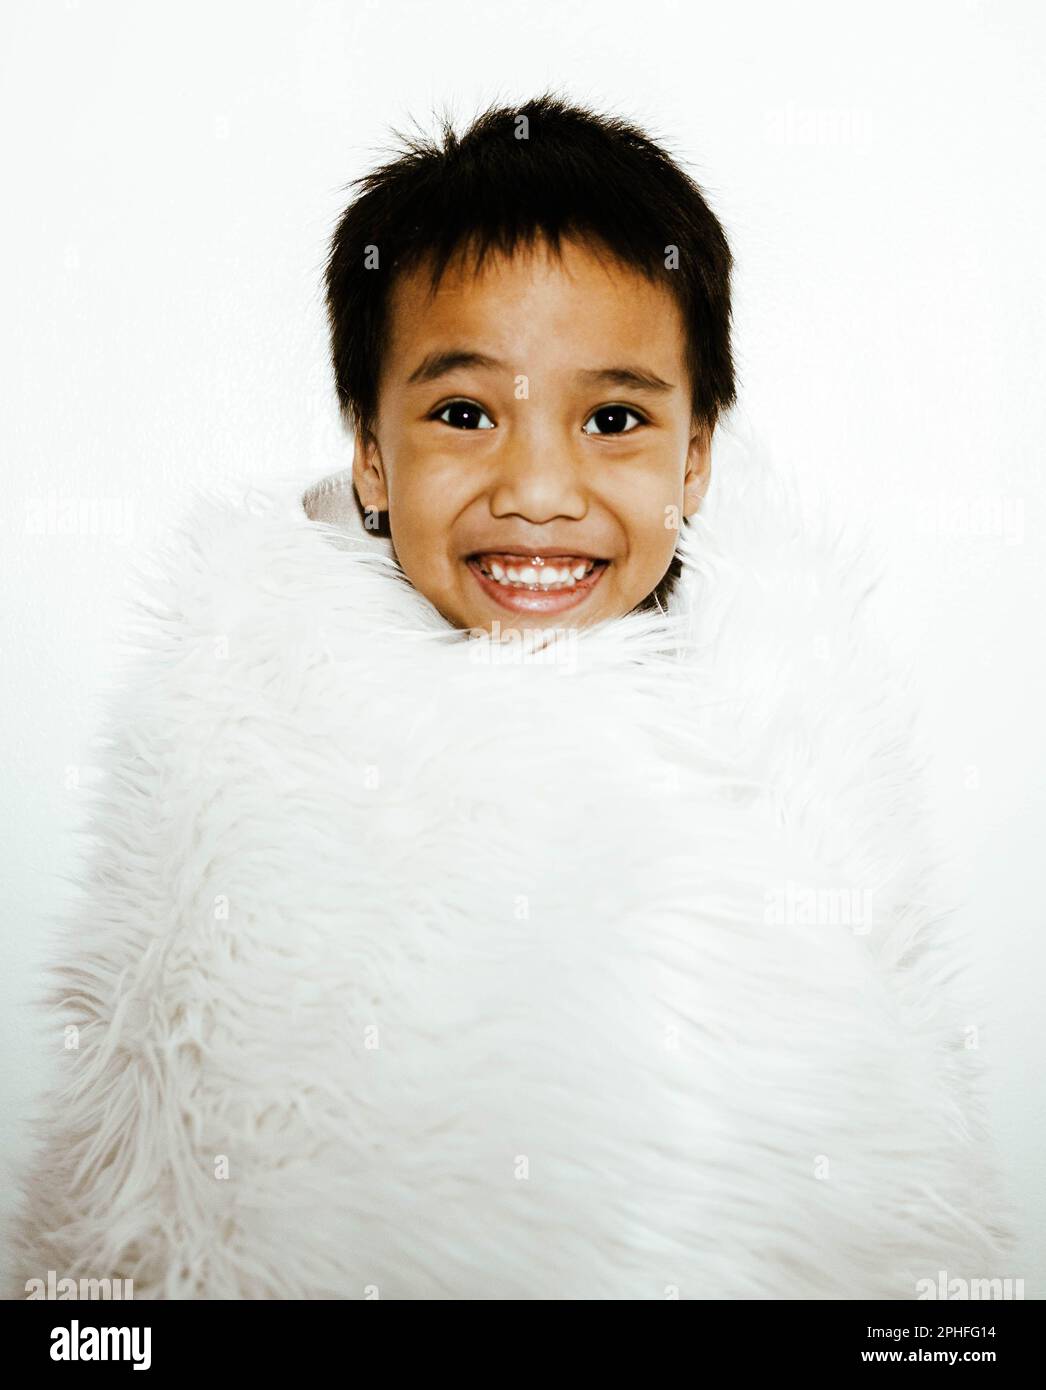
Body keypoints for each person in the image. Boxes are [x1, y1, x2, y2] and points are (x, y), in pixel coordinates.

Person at [9, 92, 1013, 1300]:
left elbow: (897, 1186)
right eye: (465, 413)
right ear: (371, 455)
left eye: (613, 418)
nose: (538, 489)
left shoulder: (793, 741)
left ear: (695, 455)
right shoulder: (244, 738)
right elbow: (136, 1194)